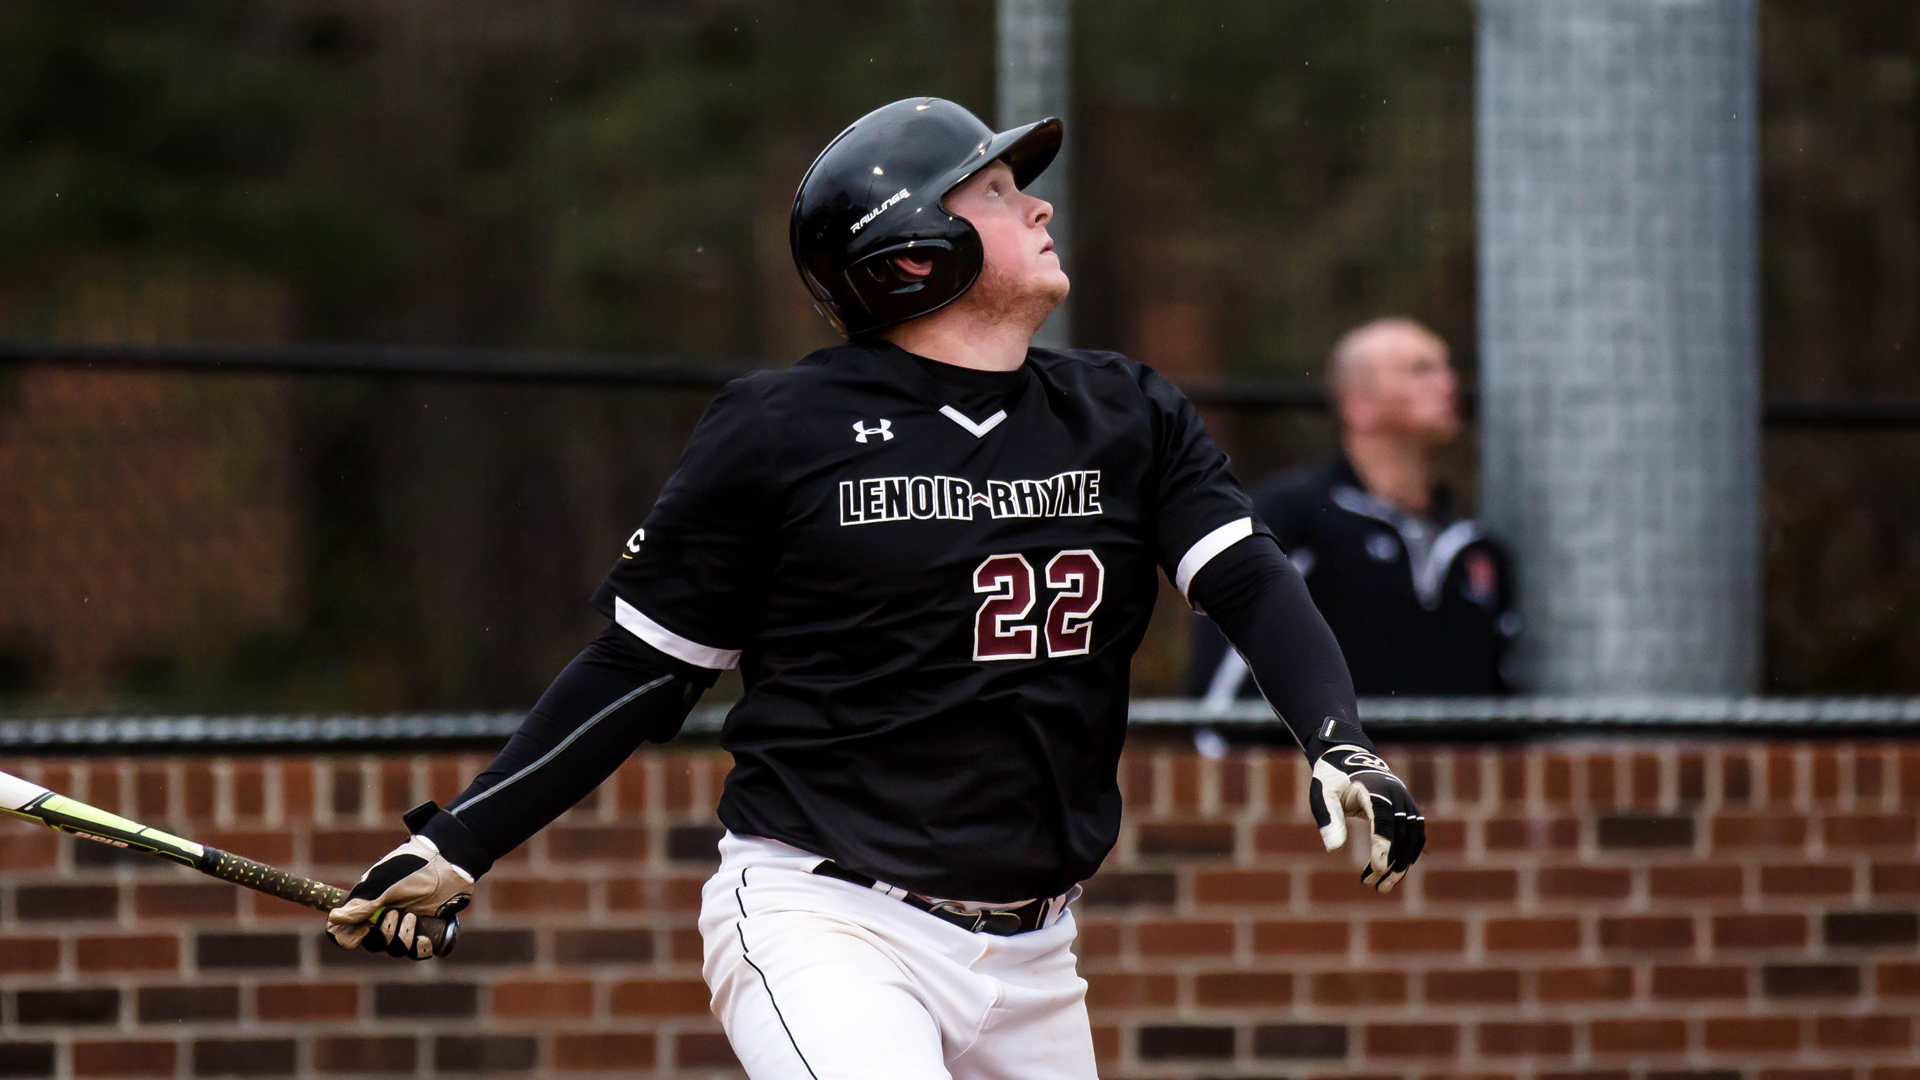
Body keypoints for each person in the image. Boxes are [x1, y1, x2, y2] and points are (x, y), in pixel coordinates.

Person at [324, 98, 1425, 1080]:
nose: (1037, 208)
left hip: (1037, 951)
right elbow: (643, 670)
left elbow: (1247, 580)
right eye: (995, 192)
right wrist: (458, 840)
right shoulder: (777, 430)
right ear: (912, 253)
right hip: (831, 921)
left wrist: (1340, 738)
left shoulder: (1126, 411)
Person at [1190, 317, 1519, 705]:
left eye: (1447, 368)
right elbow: (1217, 699)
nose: (1447, 384)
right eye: (1419, 370)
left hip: (1449, 769)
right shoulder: (1294, 519)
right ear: (1357, 405)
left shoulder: (1477, 548)